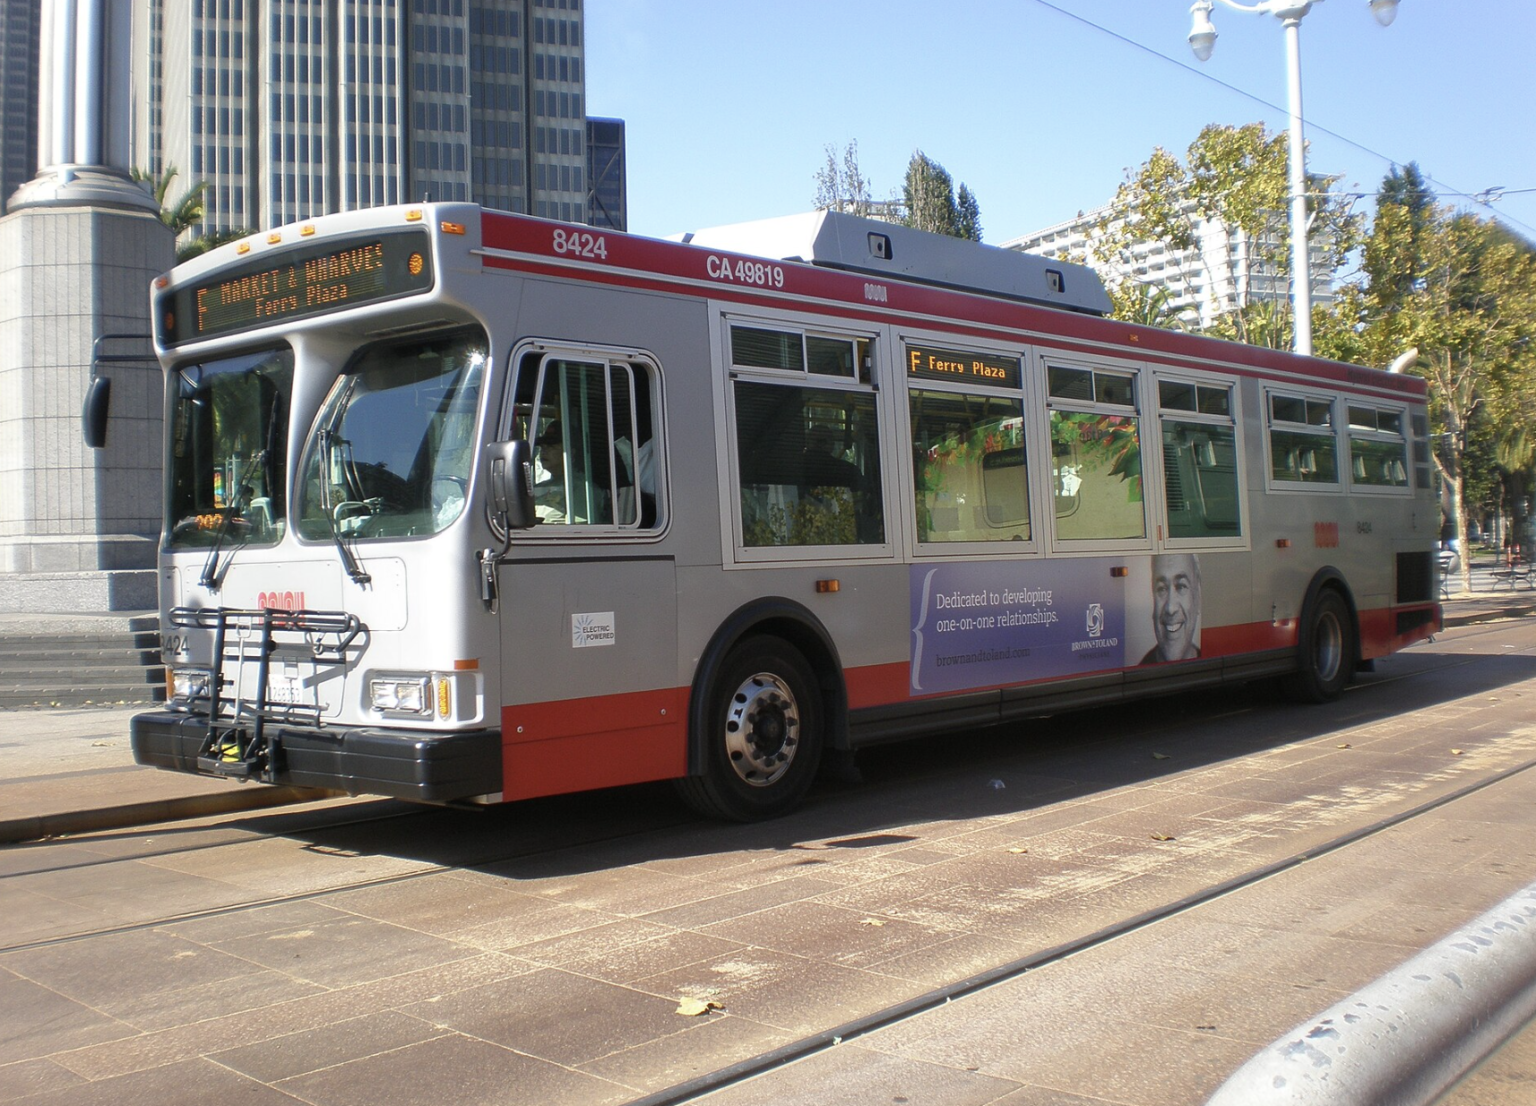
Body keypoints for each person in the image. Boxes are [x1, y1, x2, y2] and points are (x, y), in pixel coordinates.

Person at [1141, 553, 1201, 664]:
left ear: (1197, 597)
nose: (1170, 608)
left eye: (1181, 586)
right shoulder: (1138, 676)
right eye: (1162, 589)